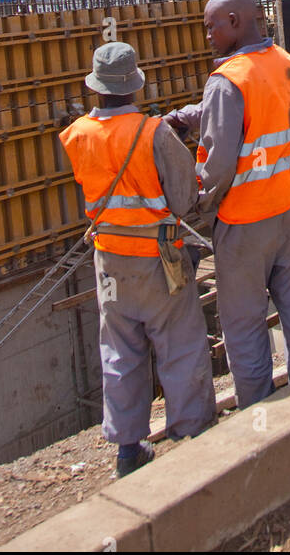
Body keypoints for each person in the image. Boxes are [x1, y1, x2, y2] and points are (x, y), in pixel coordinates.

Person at [165, 0, 290, 409]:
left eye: (210, 26)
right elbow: (251, 107)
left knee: (242, 323)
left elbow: (216, 169)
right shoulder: (281, 63)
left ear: (234, 22)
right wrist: (188, 115)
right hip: (289, 208)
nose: (207, 36)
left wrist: (190, 201)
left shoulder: (226, 81)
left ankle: (259, 415)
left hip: (244, 223)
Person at [59, 41, 215, 477]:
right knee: (179, 343)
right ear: (135, 85)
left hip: (109, 260)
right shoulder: (154, 133)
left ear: (96, 87)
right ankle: (194, 435)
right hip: (157, 258)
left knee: (120, 352)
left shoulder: (76, 135)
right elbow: (184, 200)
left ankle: (129, 451)